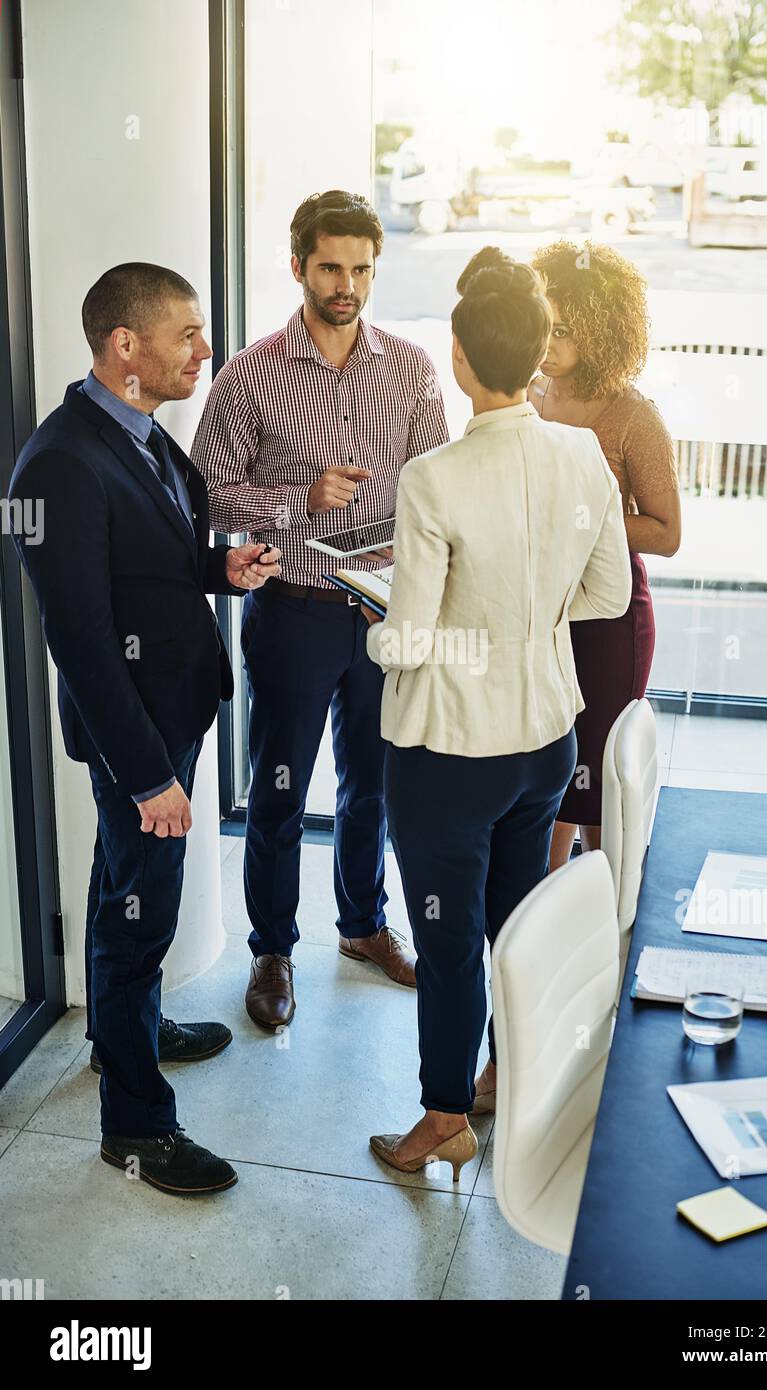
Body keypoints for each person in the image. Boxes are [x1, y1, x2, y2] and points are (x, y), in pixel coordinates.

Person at [9, 263, 280, 1196]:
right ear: (125, 347)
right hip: (141, 741)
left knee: (120, 884)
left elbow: (144, 559)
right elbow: (81, 643)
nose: (205, 351)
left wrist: (219, 565)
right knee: (141, 917)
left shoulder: (137, 434)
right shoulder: (57, 463)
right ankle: (135, 1127)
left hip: (173, 714)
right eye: (188, 335)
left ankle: (123, 1031)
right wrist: (147, 778)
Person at [361, 247, 633, 1178]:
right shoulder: (582, 453)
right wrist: (521, 622)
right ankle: (508, 1072)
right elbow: (603, 595)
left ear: (459, 359)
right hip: (544, 741)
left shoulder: (434, 478)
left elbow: (405, 644)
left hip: (447, 755)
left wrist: (379, 617)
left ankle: (442, 1118)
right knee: (514, 926)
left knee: (444, 944)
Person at [192, 189, 448, 1031]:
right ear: (297, 264)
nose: (347, 285)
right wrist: (298, 497)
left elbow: (438, 490)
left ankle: (364, 927)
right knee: (278, 787)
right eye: (331, 267)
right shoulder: (248, 375)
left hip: (383, 612)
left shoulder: (410, 369)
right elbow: (207, 494)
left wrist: (414, 592)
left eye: (362, 269)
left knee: (374, 785)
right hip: (292, 611)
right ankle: (271, 948)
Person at [527, 240, 681, 872]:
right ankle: (543, 909)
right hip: (546, 610)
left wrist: (585, 521)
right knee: (551, 762)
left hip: (611, 619)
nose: (548, 343)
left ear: (600, 332)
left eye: (564, 330)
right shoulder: (529, 394)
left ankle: (590, 909)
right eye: (543, 323)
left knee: (591, 769)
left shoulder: (633, 415)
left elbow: (667, 532)